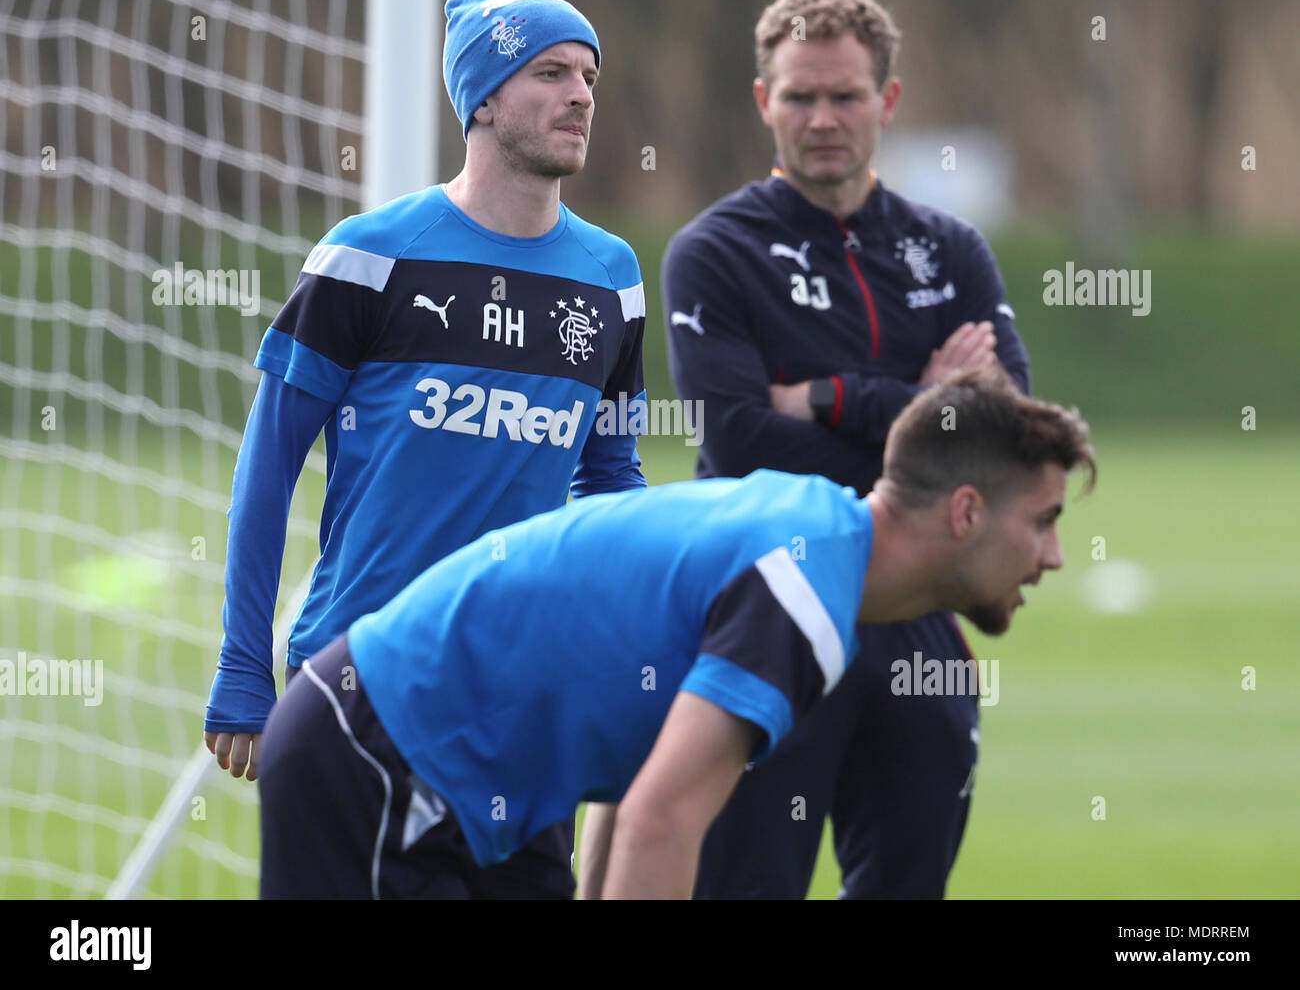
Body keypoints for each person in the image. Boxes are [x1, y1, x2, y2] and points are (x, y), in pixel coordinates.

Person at [256, 370, 1094, 899]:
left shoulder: (808, 528)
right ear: (966, 512)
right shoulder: (804, 584)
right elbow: (663, 819)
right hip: (374, 761)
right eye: (1045, 521)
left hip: (451, 792)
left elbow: (633, 796)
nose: (1054, 556)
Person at [204, 0, 647, 899]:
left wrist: (630, 648)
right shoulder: (368, 257)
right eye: (552, 72)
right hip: (360, 682)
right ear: (483, 98)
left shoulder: (611, 279)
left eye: (590, 78)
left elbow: (611, 487)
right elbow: (268, 466)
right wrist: (245, 665)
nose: (580, 96)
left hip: (522, 693)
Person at [661, 0, 1034, 899]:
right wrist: (918, 400)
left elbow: (1007, 434)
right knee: (745, 884)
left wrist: (822, 398)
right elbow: (740, 437)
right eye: (799, 97)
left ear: (888, 102)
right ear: (764, 103)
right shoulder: (713, 252)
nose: (822, 119)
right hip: (767, 612)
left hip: (915, 619)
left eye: (845, 96)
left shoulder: (949, 252)